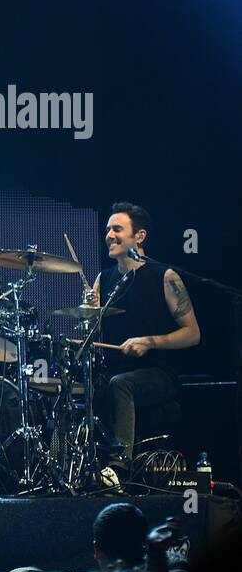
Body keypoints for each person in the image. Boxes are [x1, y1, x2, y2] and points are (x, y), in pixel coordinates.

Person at [90, 203, 200, 476]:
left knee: (121, 385)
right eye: (107, 230)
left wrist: (150, 342)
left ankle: (118, 465)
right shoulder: (103, 280)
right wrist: (92, 315)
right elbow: (97, 334)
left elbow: (193, 333)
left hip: (158, 374)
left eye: (117, 229)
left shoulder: (165, 277)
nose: (109, 235)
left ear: (139, 236)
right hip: (116, 370)